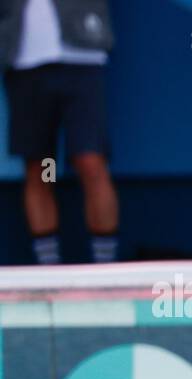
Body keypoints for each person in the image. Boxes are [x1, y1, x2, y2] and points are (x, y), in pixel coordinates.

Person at [0, 0, 118, 264]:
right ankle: (49, 268)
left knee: (90, 160)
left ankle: (106, 268)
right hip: (23, 60)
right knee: (42, 165)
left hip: (82, 56)